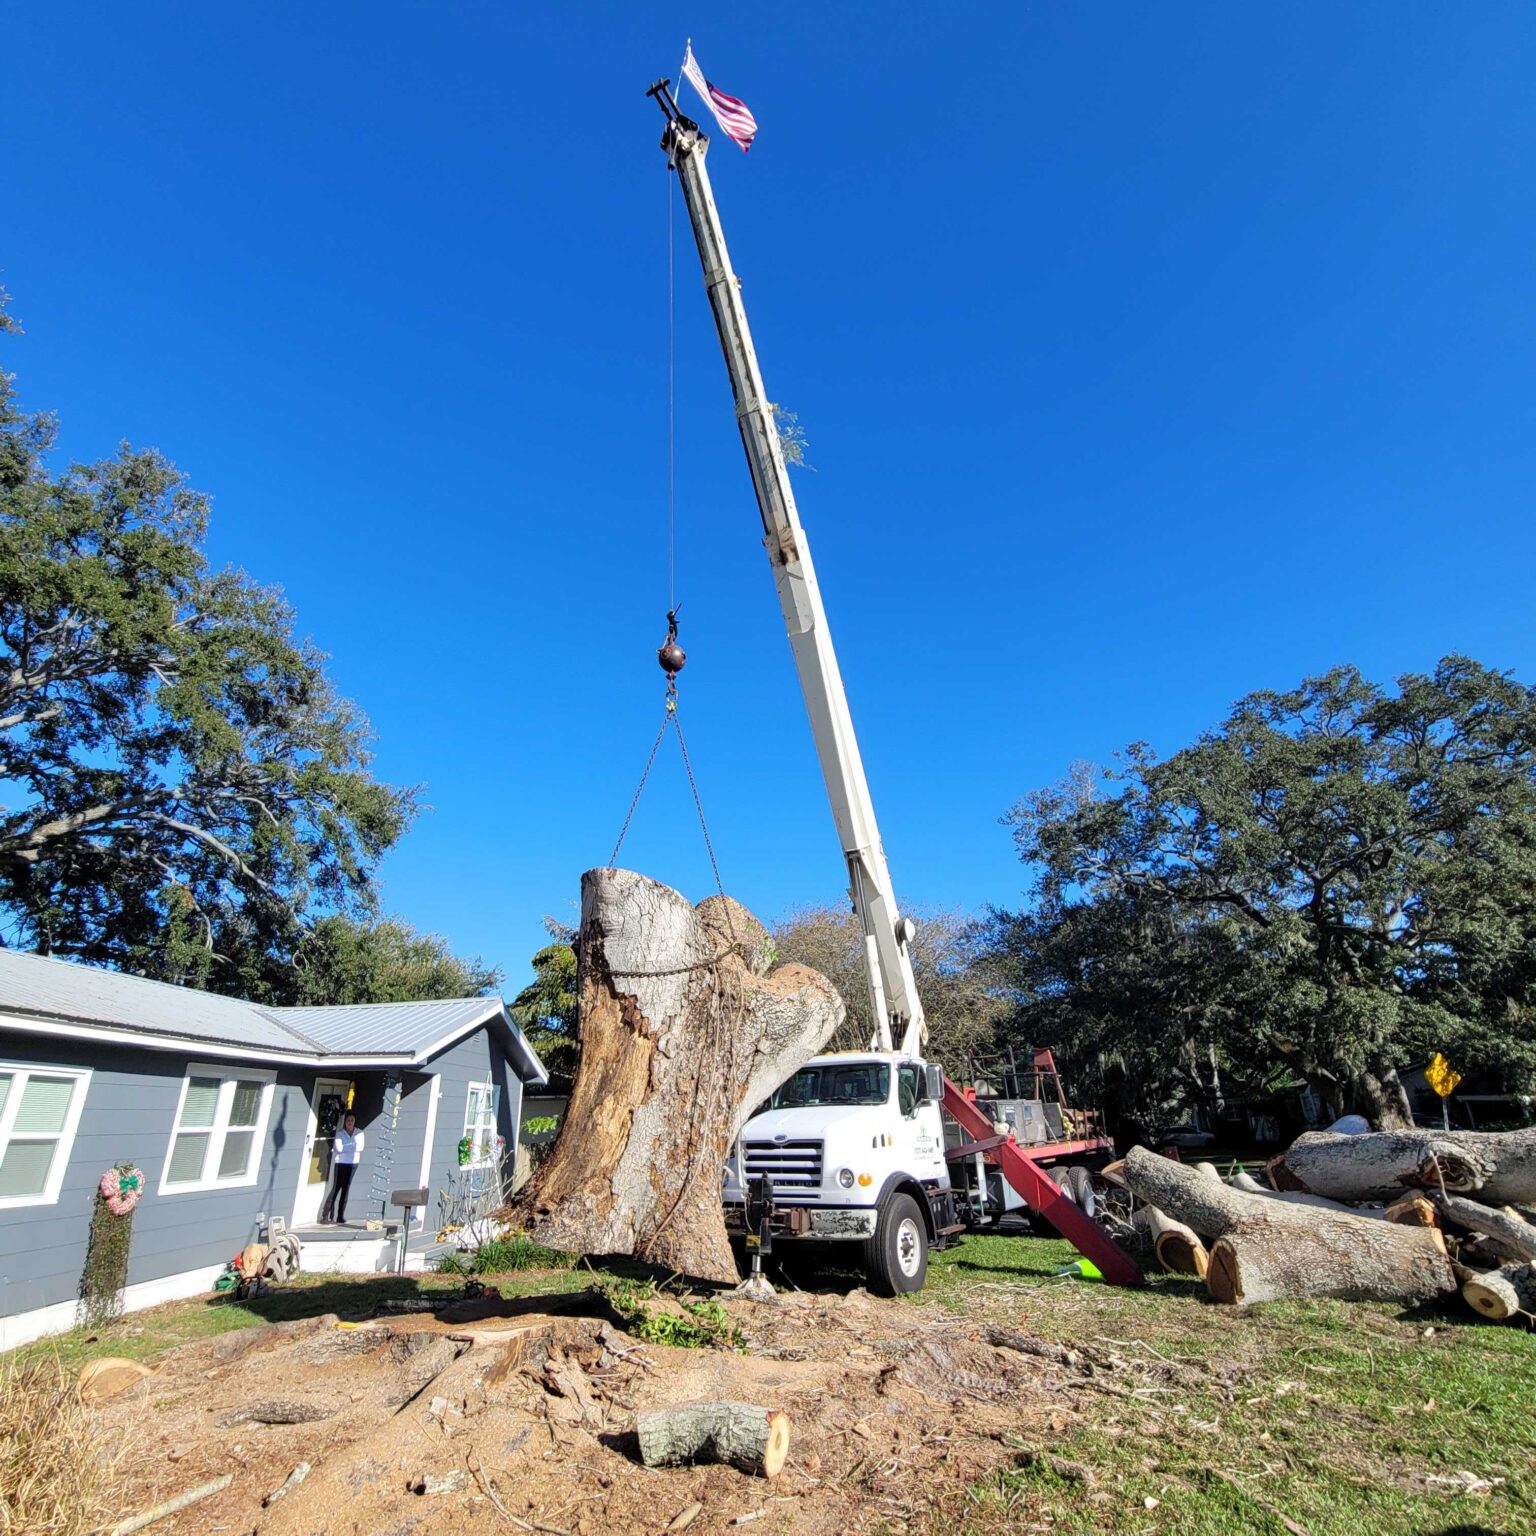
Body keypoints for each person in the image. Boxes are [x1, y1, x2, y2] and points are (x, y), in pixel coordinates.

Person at [319, 1111, 364, 1224]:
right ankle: (326, 1214)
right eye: (348, 1120)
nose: (350, 1122)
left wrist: (346, 1147)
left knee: (346, 1188)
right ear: (345, 1122)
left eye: (352, 1120)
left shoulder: (359, 1133)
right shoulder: (340, 1133)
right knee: (336, 1187)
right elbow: (339, 1148)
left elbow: (360, 1147)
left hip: (353, 1163)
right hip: (341, 1162)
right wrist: (352, 1146)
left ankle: (340, 1215)